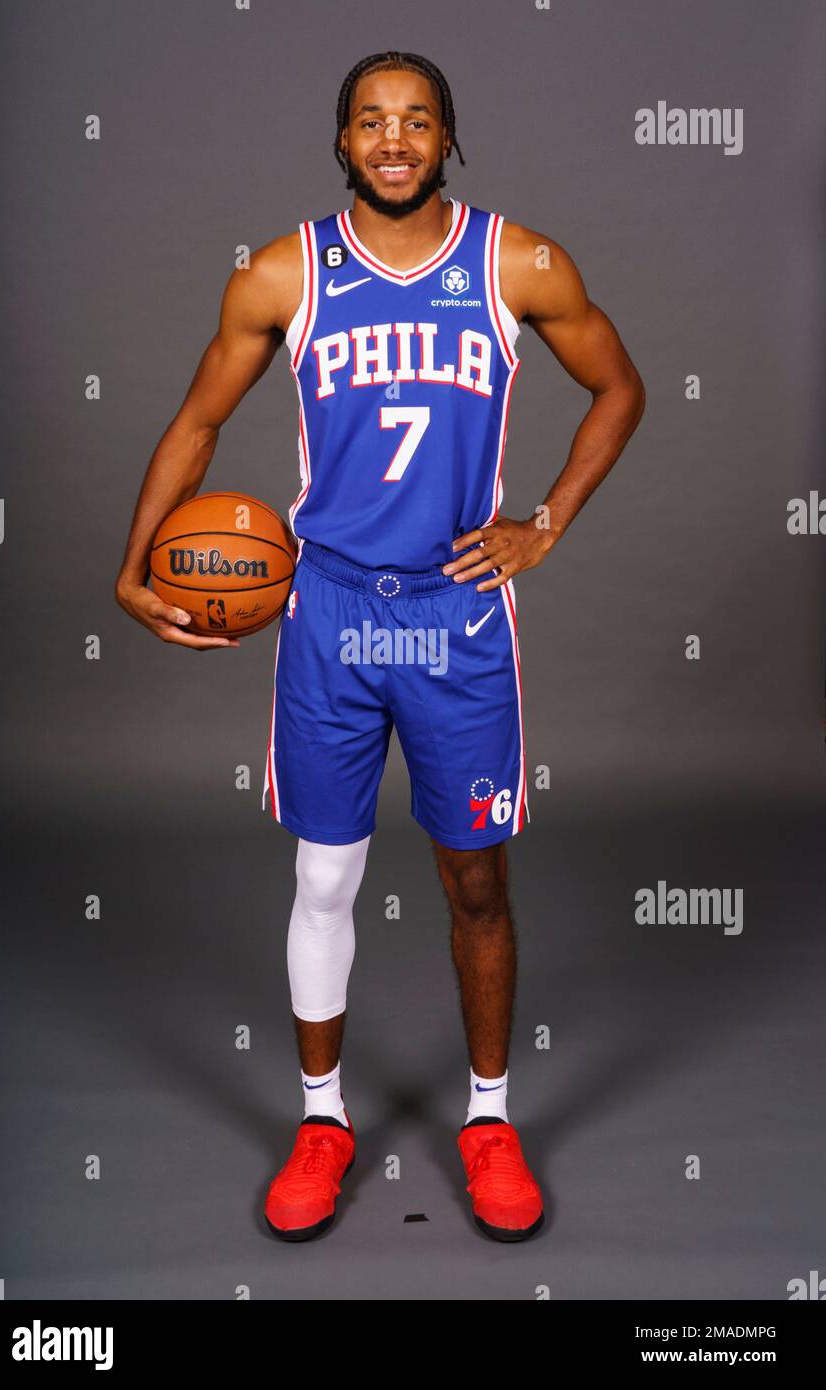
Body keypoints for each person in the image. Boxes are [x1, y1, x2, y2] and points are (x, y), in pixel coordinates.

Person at [115, 50, 645, 1244]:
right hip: (333, 616)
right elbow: (197, 424)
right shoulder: (280, 274)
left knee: (477, 879)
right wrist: (132, 556)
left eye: (418, 121)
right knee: (324, 874)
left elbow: (620, 386)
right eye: (372, 121)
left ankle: (492, 1118)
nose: (394, 139)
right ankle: (321, 1119)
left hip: (457, 618)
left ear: (450, 138)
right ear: (342, 142)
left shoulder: (518, 261)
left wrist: (544, 520)